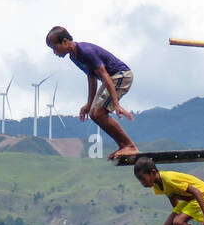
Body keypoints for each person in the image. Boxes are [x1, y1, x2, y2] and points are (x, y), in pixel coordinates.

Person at [45, 27, 136, 159]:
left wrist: (116, 104)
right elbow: (92, 77)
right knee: (94, 114)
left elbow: (105, 76)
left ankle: (130, 146)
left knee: (99, 112)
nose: (54, 52)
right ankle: (123, 146)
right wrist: (88, 104)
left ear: (65, 41)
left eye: (54, 47)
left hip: (120, 76)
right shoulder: (74, 57)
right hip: (110, 79)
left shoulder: (85, 52)